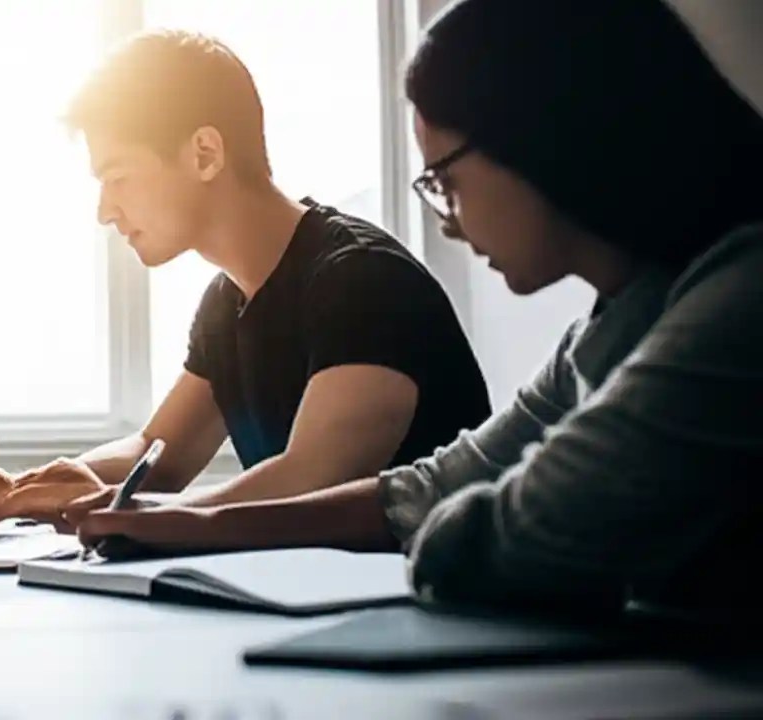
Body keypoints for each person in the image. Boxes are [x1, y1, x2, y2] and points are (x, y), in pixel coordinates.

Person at [70, 0, 763, 617]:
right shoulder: (609, 329)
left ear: (543, 137)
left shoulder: (739, 305)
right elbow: (430, 485)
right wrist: (201, 527)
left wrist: (421, 523)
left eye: (446, 179)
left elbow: (515, 533)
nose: (450, 222)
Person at [0, 30, 490, 529]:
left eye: (119, 178)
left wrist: (89, 508)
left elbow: (310, 481)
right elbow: (156, 454)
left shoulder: (363, 279)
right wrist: (25, 487)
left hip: (440, 610)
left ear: (205, 152)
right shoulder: (228, 302)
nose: (105, 211)